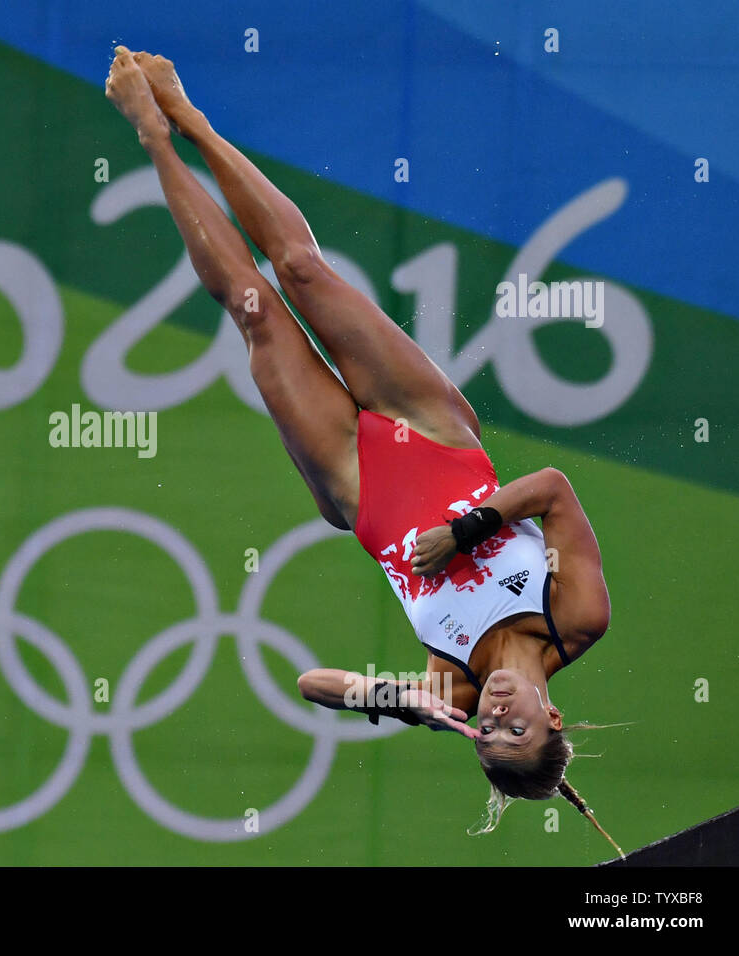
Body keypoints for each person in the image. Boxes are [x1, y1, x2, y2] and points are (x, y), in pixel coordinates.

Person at [104, 46, 622, 854]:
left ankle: (151, 138)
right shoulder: (578, 618)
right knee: (304, 271)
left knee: (255, 311)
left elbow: (312, 684)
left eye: (489, 740)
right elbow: (553, 489)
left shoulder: (447, 687)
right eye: (515, 729)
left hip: (359, 488)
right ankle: (192, 119)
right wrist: (468, 530)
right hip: (436, 434)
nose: (493, 722)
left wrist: (399, 699)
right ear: (550, 716)